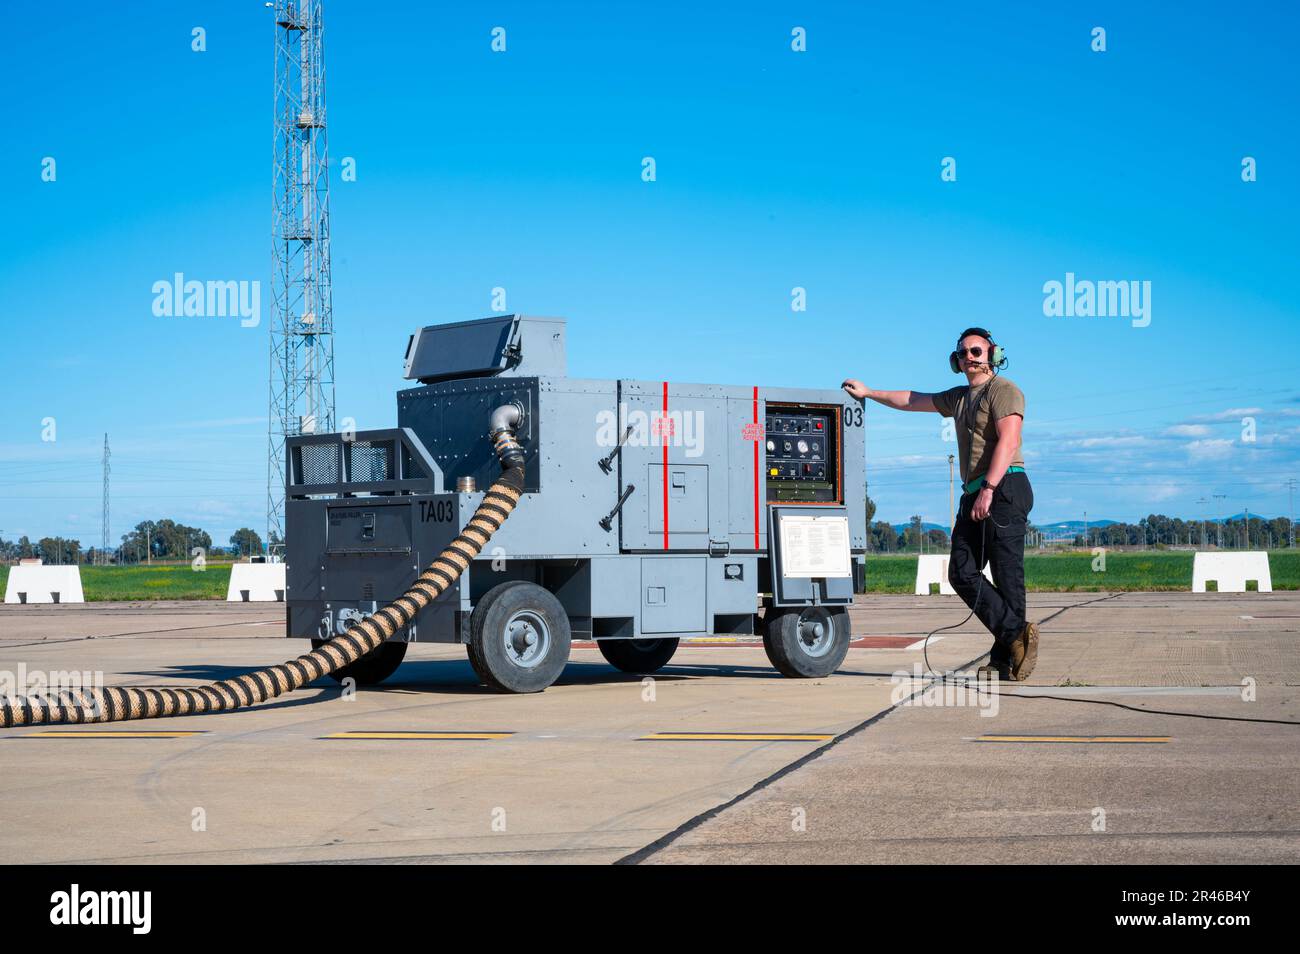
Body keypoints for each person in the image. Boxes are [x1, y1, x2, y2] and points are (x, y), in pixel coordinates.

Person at [842, 327, 1038, 680]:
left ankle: (1004, 659)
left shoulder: (1005, 391)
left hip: (1004, 487)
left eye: (976, 351)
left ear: (992, 354)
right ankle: (1014, 635)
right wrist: (870, 392)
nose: (969, 358)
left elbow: (1009, 442)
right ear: (955, 360)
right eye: (963, 353)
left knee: (1008, 579)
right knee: (961, 572)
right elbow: (912, 399)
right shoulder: (959, 398)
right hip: (975, 491)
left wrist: (989, 489)